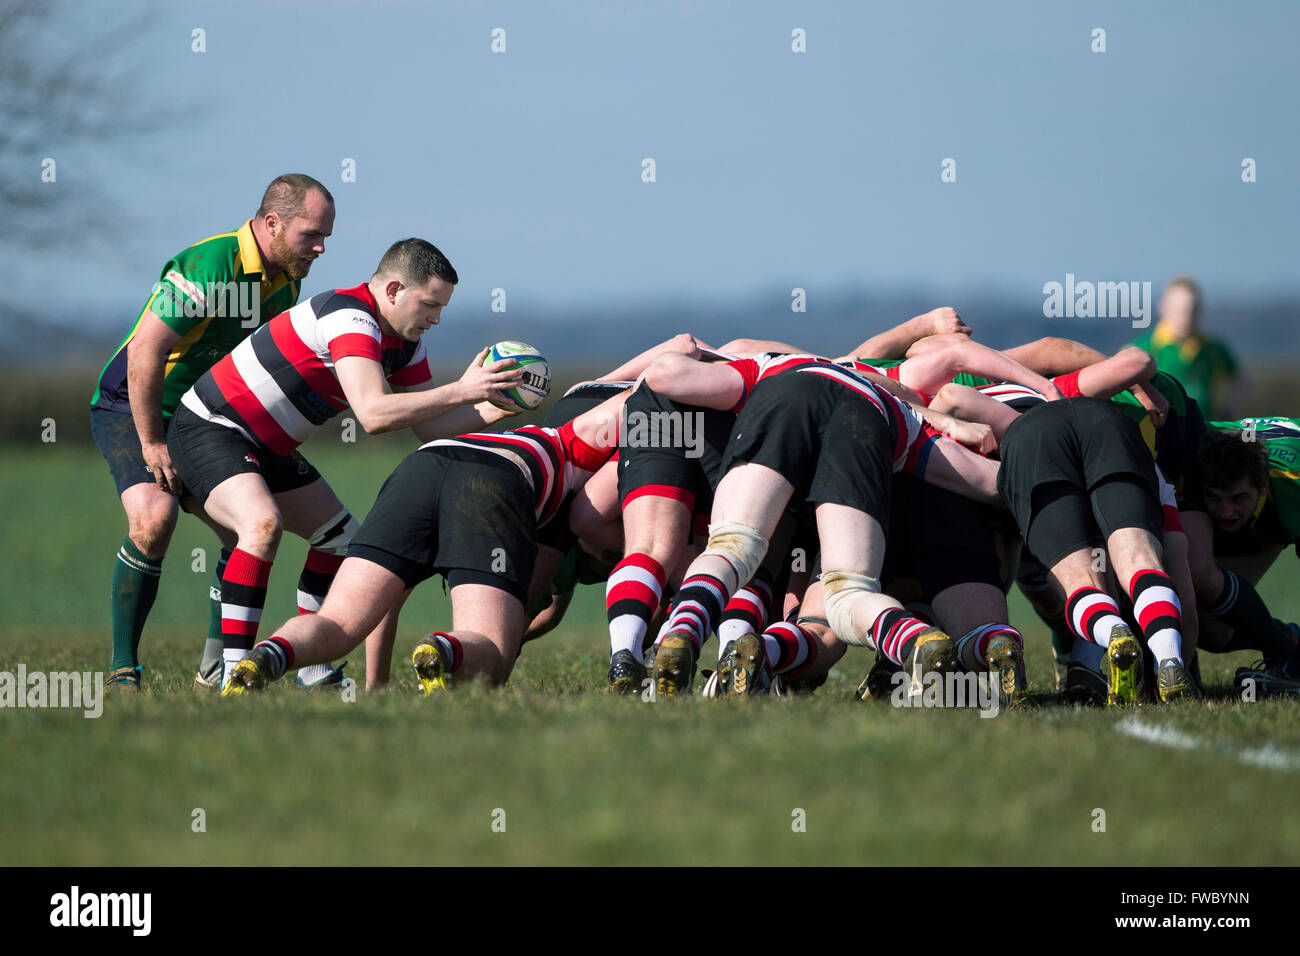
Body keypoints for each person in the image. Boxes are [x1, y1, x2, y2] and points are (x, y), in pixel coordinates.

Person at [167, 238, 521, 688]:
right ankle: (233, 677)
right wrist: (464, 389)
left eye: (442, 308)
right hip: (209, 428)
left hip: (265, 449)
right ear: (392, 290)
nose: (436, 318)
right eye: (429, 304)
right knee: (261, 526)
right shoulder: (350, 318)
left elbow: (431, 428)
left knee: (340, 543)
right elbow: (373, 415)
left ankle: (313, 673)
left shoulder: (406, 343)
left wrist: (497, 406)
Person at [89, 173, 335, 690]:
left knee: (243, 530)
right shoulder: (211, 264)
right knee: (154, 521)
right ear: (272, 224)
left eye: (324, 238)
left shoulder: (287, 277)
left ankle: (214, 669)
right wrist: (154, 442)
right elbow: (145, 352)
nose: (319, 248)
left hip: (209, 416)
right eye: (311, 235)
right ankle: (121, 669)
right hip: (133, 404)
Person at [1133, 277, 1244, 420]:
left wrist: (1227, 410)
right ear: (1162, 307)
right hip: (1162, 437)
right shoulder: (1142, 350)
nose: (1187, 317)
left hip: (1206, 434)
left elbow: (1240, 380)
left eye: (1193, 310)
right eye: (1181, 310)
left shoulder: (1213, 348)